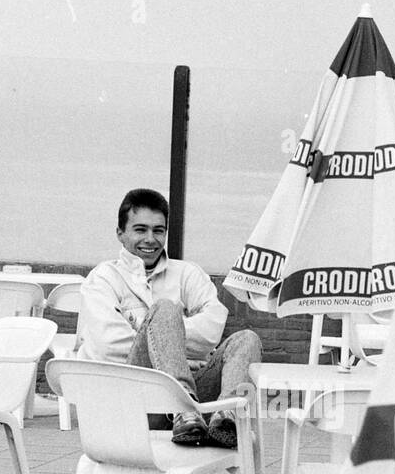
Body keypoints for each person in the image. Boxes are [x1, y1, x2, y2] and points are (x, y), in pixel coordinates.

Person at [78, 188, 261, 447]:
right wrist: (175, 353)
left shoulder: (187, 274)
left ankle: (226, 419)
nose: (150, 239)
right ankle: (181, 404)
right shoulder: (102, 279)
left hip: (195, 416)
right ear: (120, 233)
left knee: (247, 340)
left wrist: (169, 341)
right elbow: (109, 346)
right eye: (140, 230)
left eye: (158, 230)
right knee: (165, 309)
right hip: (132, 400)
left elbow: (212, 329)